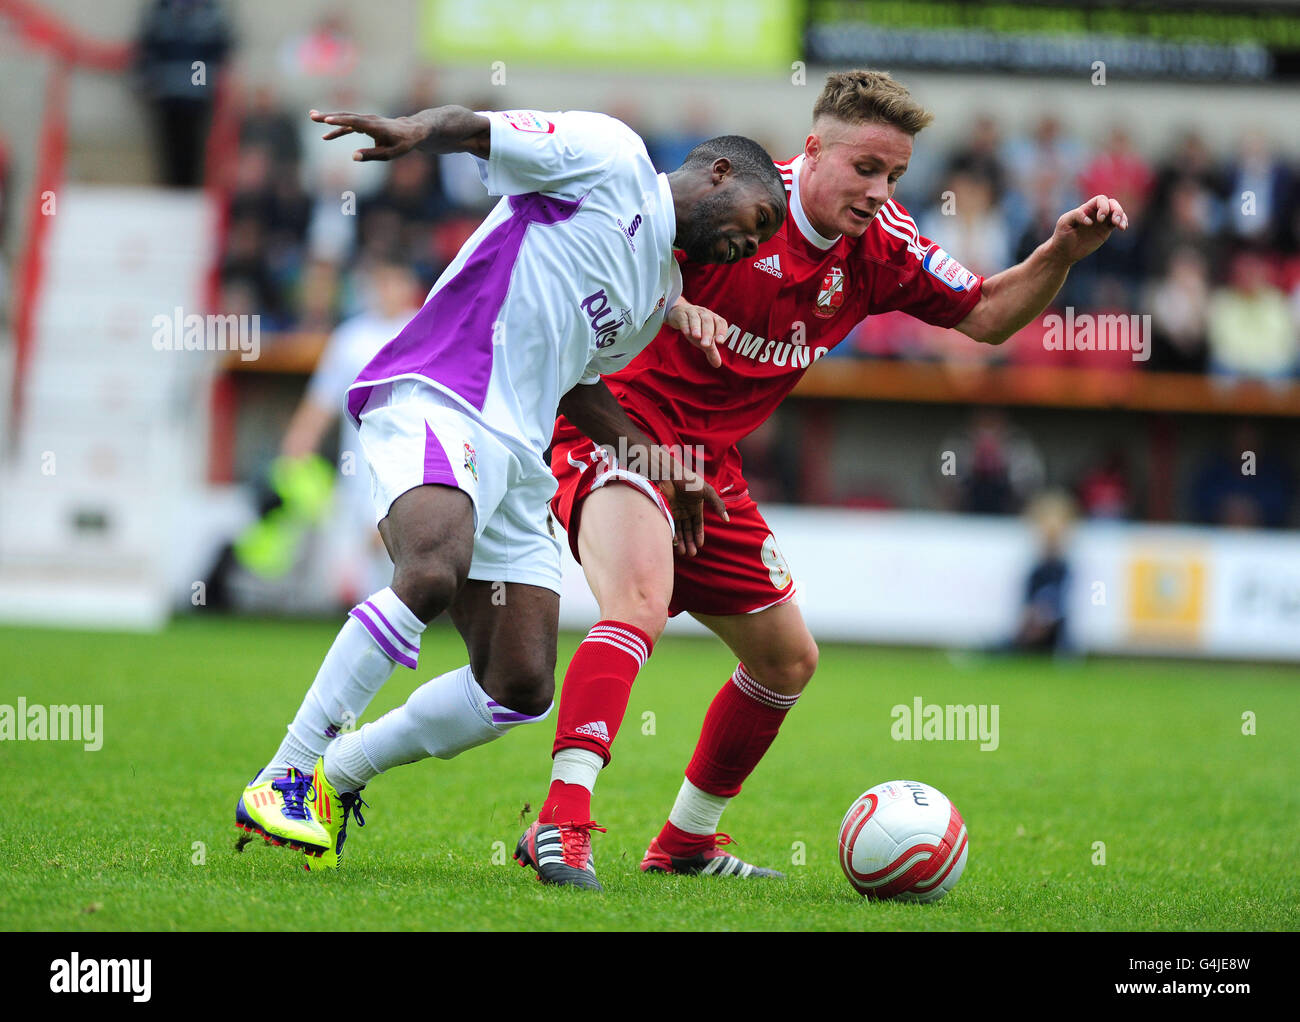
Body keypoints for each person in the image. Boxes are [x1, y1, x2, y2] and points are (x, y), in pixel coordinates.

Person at [519, 70, 1130, 890]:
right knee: (636, 600)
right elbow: (589, 264)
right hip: (618, 424)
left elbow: (984, 316)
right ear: (810, 153)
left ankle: (685, 844)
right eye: (866, 169)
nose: (881, 191)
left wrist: (1060, 253)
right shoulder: (724, 203)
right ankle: (561, 824)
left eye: (896, 176)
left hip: (711, 465)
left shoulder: (882, 246)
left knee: (786, 661)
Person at [233, 102, 786, 869]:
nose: (749, 242)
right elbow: (481, 128)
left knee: (519, 686)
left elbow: (578, 384)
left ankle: (337, 775)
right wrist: (417, 132)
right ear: (719, 171)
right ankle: (286, 774)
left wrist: (662, 465)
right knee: (429, 569)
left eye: (761, 241)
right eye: (757, 219)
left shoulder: (658, 295)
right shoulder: (612, 157)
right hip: (443, 393)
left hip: (519, 457)